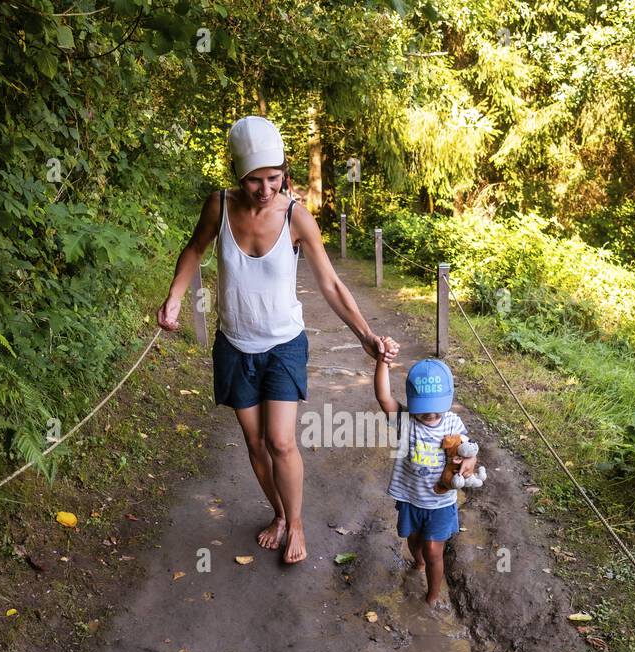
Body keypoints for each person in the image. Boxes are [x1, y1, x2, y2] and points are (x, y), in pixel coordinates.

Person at [156, 116, 390, 565]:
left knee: (281, 441)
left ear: (284, 172)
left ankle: (297, 523)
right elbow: (193, 250)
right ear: (237, 176)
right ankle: (279, 514)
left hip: (284, 344)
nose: (265, 190)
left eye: (273, 178)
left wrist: (365, 335)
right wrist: (175, 297)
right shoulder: (219, 207)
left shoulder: (297, 216)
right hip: (234, 344)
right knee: (255, 443)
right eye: (254, 181)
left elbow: (331, 285)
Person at [374, 347, 478, 608]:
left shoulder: (452, 422)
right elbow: (383, 397)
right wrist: (382, 363)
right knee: (414, 539)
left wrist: (470, 460)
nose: (431, 416)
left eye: (436, 411)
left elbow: (468, 448)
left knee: (434, 550)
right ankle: (417, 561)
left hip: (441, 502)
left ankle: (432, 594)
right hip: (411, 498)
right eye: (424, 411)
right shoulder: (406, 421)